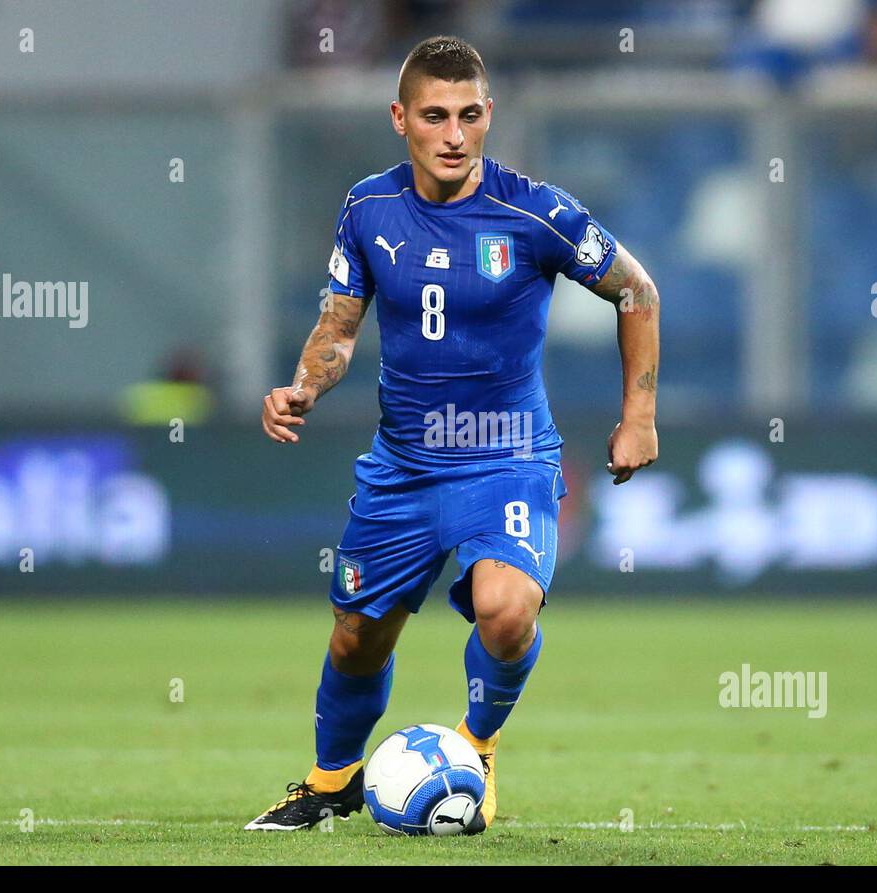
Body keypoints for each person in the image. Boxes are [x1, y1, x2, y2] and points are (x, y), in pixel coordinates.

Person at [247, 35, 659, 833]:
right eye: (435, 116)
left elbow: (636, 290)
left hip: (507, 458)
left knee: (508, 611)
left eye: (470, 116)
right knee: (356, 639)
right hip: (403, 466)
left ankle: (476, 747)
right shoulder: (367, 208)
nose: (454, 134)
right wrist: (304, 385)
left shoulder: (535, 212)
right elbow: (339, 325)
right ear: (400, 117)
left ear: (489, 116)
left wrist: (637, 417)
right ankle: (332, 781)